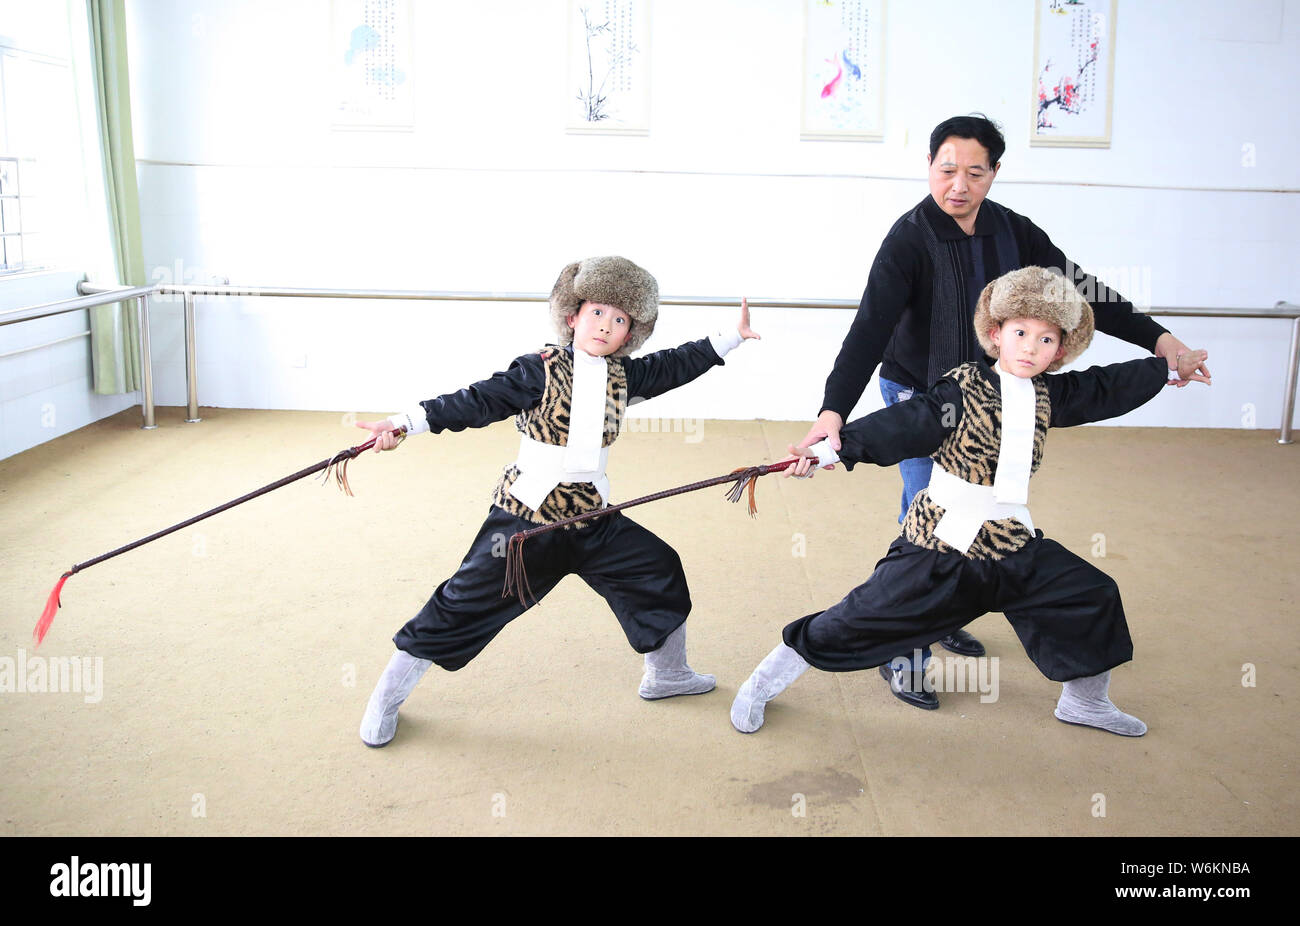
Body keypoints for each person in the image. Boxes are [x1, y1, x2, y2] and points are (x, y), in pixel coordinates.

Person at [799, 114, 1211, 709]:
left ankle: (943, 611)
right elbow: (869, 330)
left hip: (998, 400)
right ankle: (901, 650)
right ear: (930, 167)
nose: (958, 186)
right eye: (946, 170)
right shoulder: (908, 238)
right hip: (923, 397)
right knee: (929, 519)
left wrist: (1160, 341)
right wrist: (833, 411)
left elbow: (1081, 288)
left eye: (974, 172)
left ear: (995, 173)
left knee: (989, 512)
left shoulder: (1014, 233)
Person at [732, 265, 1208, 736]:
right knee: (853, 620)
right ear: (996, 333)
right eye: (1021, 332)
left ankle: (1085, 703)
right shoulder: (960, 389)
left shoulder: (1049, 394)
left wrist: (1169, 366)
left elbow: (1107, 387)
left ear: (1060, 350)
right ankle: (760, 685)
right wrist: (822, 452)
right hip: (943, 547)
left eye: (1046, 339)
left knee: (1088, 594)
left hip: (1010, 546)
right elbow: (901, 425)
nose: (1031, 347)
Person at [355, 255, 759, 747]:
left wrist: (732, 337)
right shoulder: (537, 370)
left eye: (619, 320)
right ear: (572, 316)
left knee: (659, 568)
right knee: (459, 603)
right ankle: (386, 698)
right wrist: (405, 423)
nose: (606, 326)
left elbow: (676, 365)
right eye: (597, 313)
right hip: (526, 525)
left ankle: (667, 676)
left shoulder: (624, 376)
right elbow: (475, 400)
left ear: (629, 332)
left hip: (593, 521)